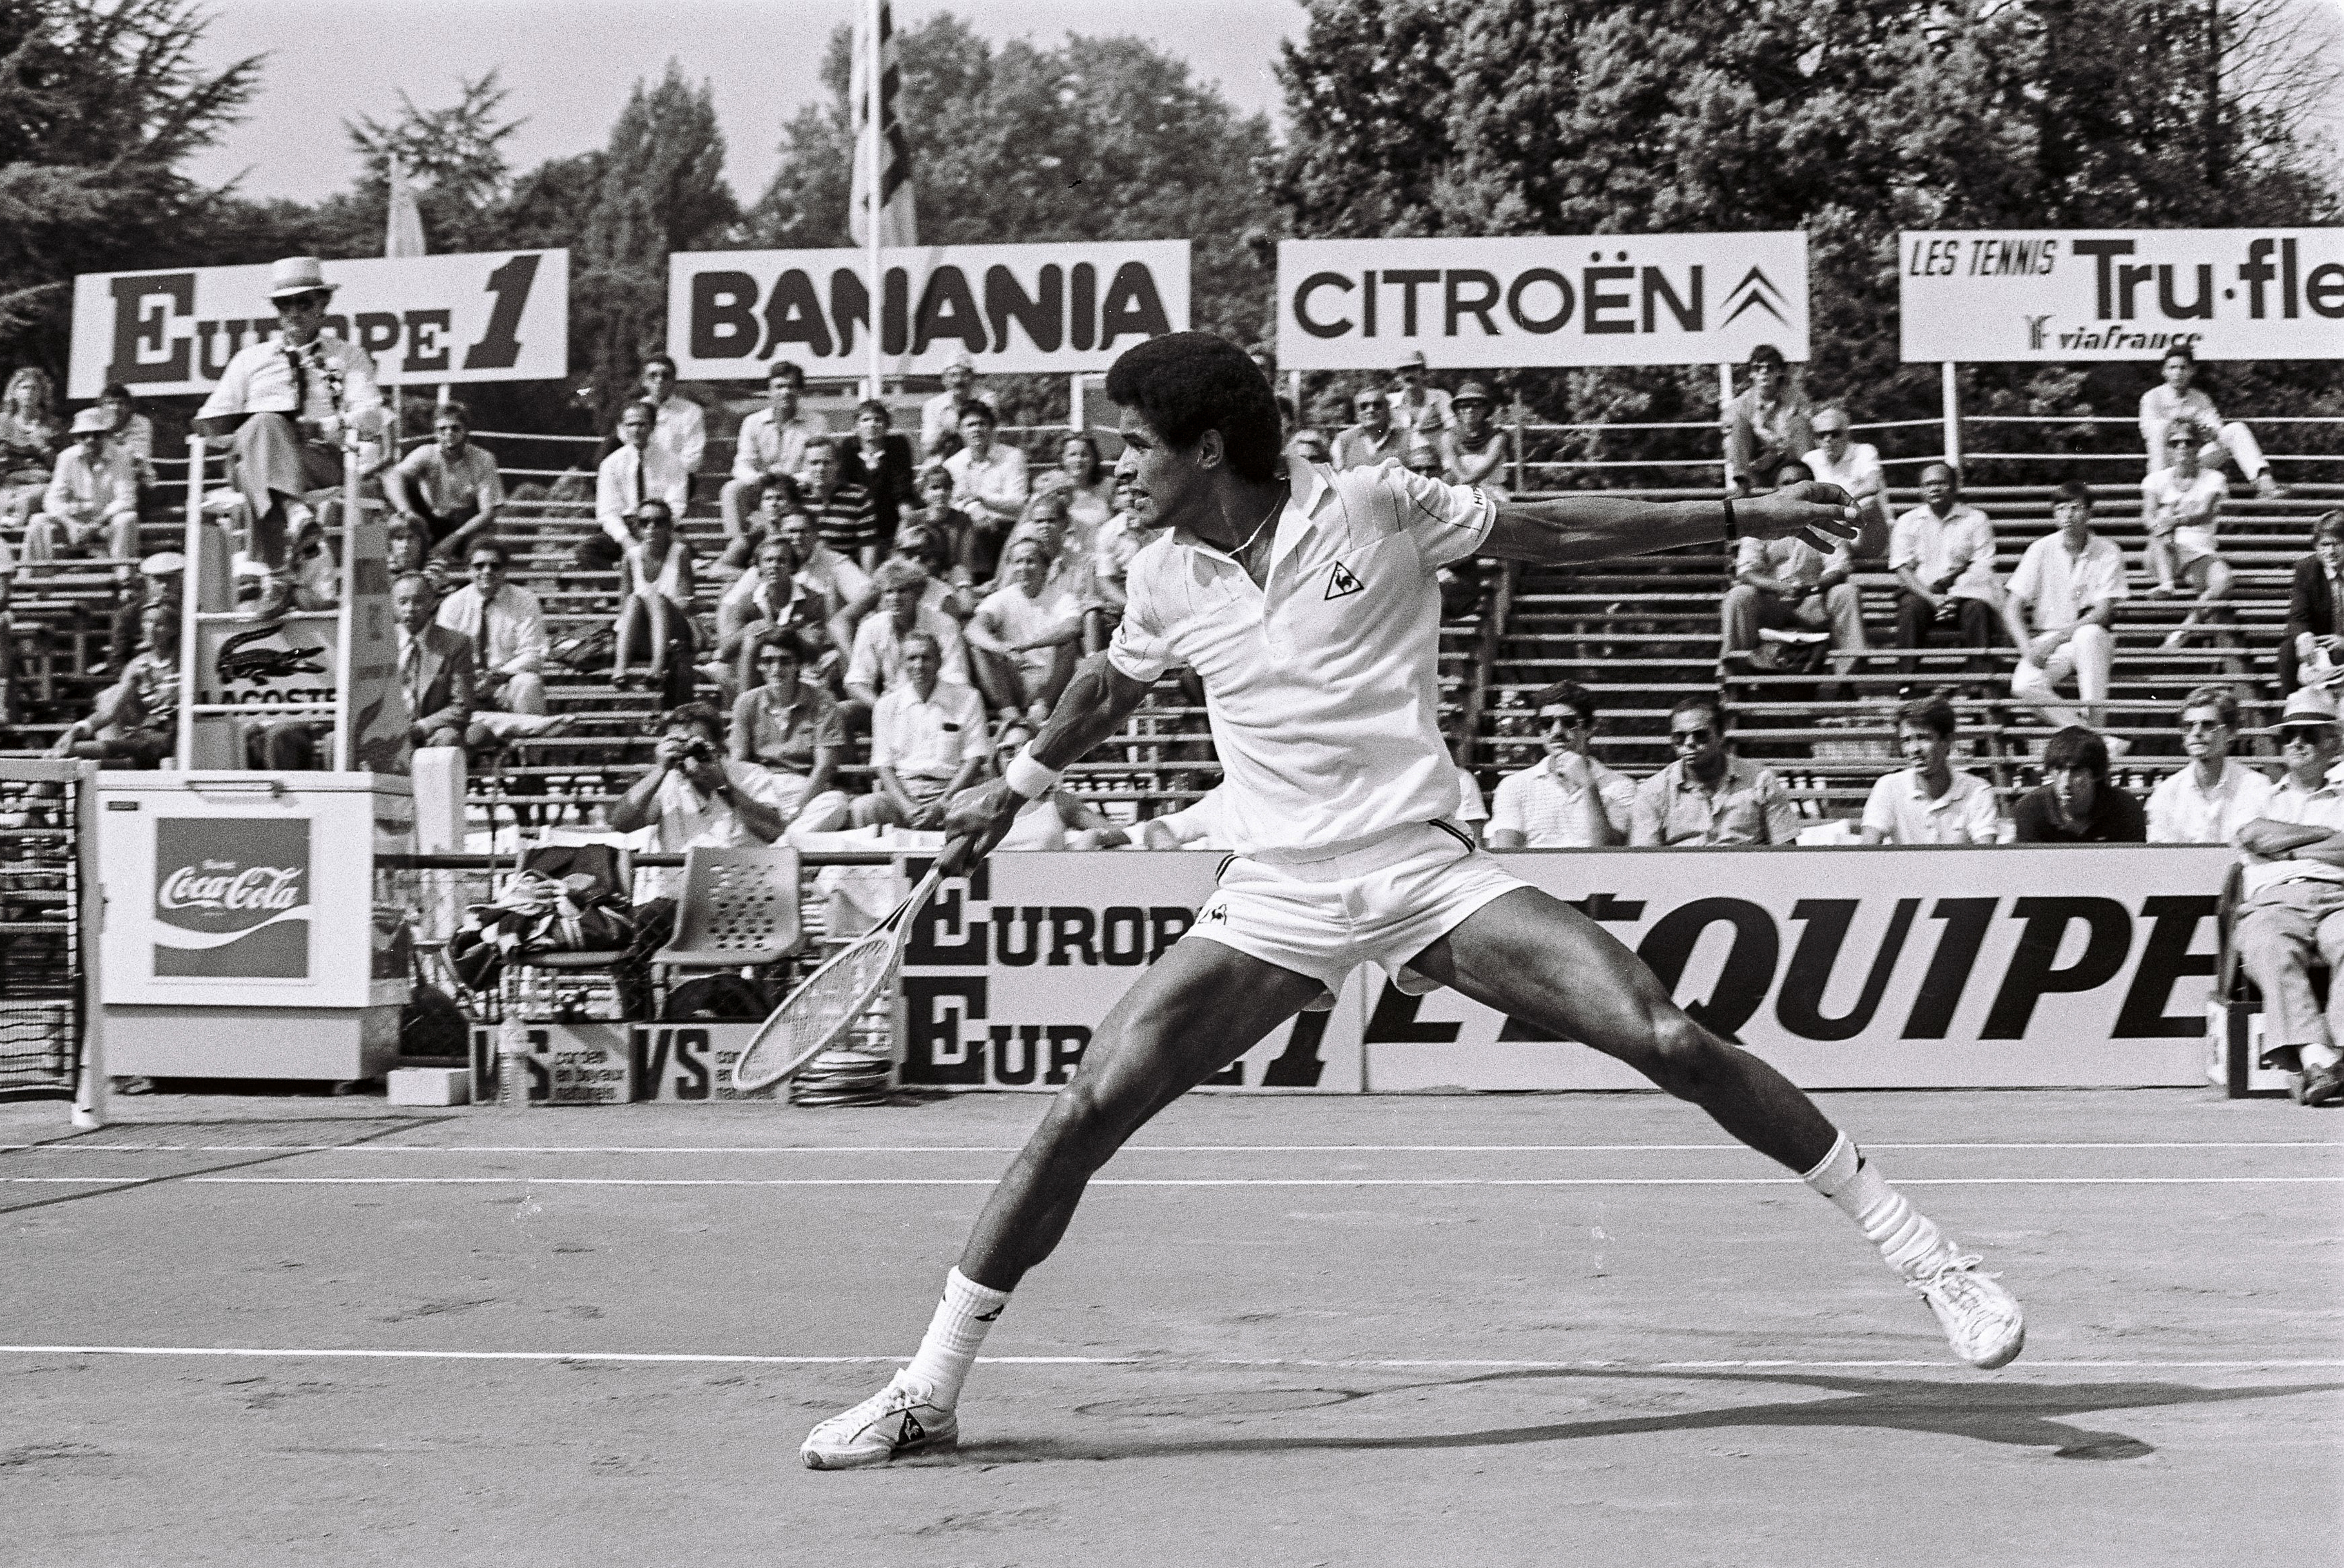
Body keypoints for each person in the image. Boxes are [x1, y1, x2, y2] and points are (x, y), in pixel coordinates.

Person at [800, 332, 2020, 1468]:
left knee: (1664, 1032)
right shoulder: (1161, 574)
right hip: (1273, 891)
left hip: (1421, 868)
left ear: (1206, 449)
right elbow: (1104, 689)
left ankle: (1931, 1257)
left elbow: (1548, 525)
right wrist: (1008, 791)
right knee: (1081, 1111)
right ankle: (929, 1390)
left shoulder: (1373, 504)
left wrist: (1747, 508)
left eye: (1134, 443)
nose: (1118, 467)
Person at [191, 256, 385, 619]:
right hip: (250, 457)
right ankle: (296, 516)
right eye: (285, 304)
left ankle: (273, 574)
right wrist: (231, 429)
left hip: (318, 458)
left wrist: (322, 426)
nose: (293, 311)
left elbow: (373, 415)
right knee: (262, 425)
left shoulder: (349, 356)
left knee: (259, 451)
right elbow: (211, 418)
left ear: (323, 305)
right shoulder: (250, 360)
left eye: (304, 302)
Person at [2227, 687, 2344, 1106]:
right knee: (2269, 946)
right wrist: (2323, 837)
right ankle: (2321, 1056)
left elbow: (2268, 839)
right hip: (2275, 899)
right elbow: (2252, 834)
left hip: (2338, 897)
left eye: (2309, 733)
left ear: (2333, 740)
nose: (2296, 742)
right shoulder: (2257, 790)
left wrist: (2284, 845)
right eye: (2288, 734)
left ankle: (2322, 1059)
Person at [606, 702, 791, 901]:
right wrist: (660, 769)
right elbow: (621, 823)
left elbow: (773, 831)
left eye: (697, 746)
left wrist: (723, 786)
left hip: (741, 896)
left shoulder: (751, 775)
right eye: (680, 746)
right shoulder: (666, 782)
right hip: (679, 900)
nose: (689, 755)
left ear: (719, 746)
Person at [2004, 481, 2129, 741]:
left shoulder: (2108, 550)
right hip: (2047, 639)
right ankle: (2097, 740)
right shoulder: (2040, 549)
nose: (2068, 516)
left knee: (2089, 634)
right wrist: (2029, 650)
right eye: (2060, 509)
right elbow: (2012, 608)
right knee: (2024, 685)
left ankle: (2095, 725)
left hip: (2089, 638)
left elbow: (2103, 611)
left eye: (2075, 508)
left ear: (2089, 513)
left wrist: (2057, 640)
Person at [1721, 470, 1867, 678]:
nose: (1792, 488)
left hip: (1814, 602)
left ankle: (1850, 678)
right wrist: (1779, 587)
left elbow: (1839, 567)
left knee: (1846, 592)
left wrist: (1812, 587)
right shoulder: (1758, 523)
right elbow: (1746, 571)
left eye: (1799, 483)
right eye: (1786, 483)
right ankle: (1734, 678)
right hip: (1771, 604)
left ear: (1812, 489)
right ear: (1777, 489)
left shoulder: (1828, 524)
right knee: (1739, 595)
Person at [850, 631, 988, 829]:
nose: (919, 665)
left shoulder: (969, 699)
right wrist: (907, 807)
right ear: (902, 664)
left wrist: (942, 804)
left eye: (926, 658)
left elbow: (974, 759)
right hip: (904, 792)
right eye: (912, 658)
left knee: (980, 809)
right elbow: (883, 765)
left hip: (952, 793)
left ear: (940, 661)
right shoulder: (886, 706)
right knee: (864, 808)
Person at [726, 630, 853, 837]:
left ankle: (780, 845)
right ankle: (790, 840)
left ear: (798, 665)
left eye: (785, 661)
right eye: (768, 661)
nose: (776, 669)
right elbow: (739, 763)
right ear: (759, 665)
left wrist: (797, 808)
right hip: (761, 784)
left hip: (806, 786)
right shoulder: (747, 702)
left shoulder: (823, 701)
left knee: (836, 804)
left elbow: (825, 767)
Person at [434, 541, 563, 744]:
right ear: (469, 571)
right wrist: (469, 681)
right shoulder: (453, 605)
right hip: (466, 686)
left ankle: (530, 765)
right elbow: (442, 657)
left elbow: (534, 653)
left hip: (505, 684)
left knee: (528, 683)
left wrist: (496, 676)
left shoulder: (525, 601)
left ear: (505, 571)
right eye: (479, 566)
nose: (487, 571)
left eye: (495, 566)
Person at [1630, 693, 1799, 846]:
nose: (1689, 743)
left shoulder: (1761, 781)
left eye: (1700, 735)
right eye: (1679, 737)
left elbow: (1785, 854)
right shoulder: (1652, 792)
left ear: (1720, 736)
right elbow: (1645, 862)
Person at [1485, 682, 1634, 848]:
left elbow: (1611, 854)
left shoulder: (1622, 787)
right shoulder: (1515, 786)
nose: (1556, 732)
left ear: (1590, 729)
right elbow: (1508, 855)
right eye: (1547, 723)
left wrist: (1589, 785)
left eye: (1569, 722)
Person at [1889, 463, 1999, 673]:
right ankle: (1907, 684)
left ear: (1955, 487)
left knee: (1978, 608)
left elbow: (1983, 565)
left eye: (1941, 483)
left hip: (1965, 593)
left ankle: (1980, 684)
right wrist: (1934, 599)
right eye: (1928, 484)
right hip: (1922, 592)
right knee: (1910, 609)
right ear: (1921, 490)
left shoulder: (1976, 519)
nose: (1934, 489)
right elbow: (1902, 568)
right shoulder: (1908, 521)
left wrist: (1955, 597)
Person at [2138, 345, 2283, 500]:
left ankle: (2263, 482)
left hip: (2195, 461)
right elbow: (2150, 432)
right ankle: (2158, 494)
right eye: (2172, 368)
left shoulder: (2200, 398)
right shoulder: (2151, 398)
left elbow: (2216, 430)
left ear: (2192, 371)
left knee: (2235, 429)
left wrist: (2209, 432)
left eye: (2183, 368)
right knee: (2160, 430)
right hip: (2165, 467)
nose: (2178, 373)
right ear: (2164, 371)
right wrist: (2180, 423)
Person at [47, 599, 179, 768]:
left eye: (159, 624)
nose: (151, 629)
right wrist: (76, 730)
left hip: (173, 742)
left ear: (173, 629)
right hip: (145, 744)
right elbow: (110, 712)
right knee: (66, 752)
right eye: (147, 622)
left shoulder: (184, 662)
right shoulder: (137, 666)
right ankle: (35, 791)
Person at [967, 537, 1083, 724]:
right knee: (980, 647)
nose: (1023, 568)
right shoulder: (1002, 598)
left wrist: (1029, 644)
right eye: (1018, 562)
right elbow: (973, 629)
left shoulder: (1063, 597)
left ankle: (1041, 708)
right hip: (1015, 680)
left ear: (1046, 567)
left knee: (1068, 643)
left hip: (1052, 680)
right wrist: (1001, 648)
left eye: (1031, 561)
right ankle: (1009, 712)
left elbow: (1073, 627)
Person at [1858, 695, 2001, 845]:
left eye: (1923, 738)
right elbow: (1868, 849)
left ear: (1947, 741)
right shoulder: (1887, 786)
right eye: (1906, 740)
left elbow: (1986, 855)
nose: (1914, 749)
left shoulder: (1979, 790)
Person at [844, 557, 971, 725]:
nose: (895, 598)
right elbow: (856, 680)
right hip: (890, 707)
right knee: (843, 712)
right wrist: (882, 707)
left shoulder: (944, 624)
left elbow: (956, 677)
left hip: (936, 706)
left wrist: (922, 707)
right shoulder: (871, 627)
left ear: (918, 594)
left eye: (902, 591)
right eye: (889, 592)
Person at [2140, 421, 2232, 647]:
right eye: (2175, 443)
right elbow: (2148, 516)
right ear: (2168, 449)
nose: (2182, 447)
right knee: (2160, 523)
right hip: (2164, 553)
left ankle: (2184, 629)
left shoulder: (2213, 478)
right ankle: (2166, 584)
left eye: (2188, 442)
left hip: (2199, 552)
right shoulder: (2156, 480)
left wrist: (2176, 519)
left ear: (2198, 446)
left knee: (2226, 580)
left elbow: (2206, 513)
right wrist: (2165, 522)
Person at [2146, 685, 2274, 844]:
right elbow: (2158, 856)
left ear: (2231, 732)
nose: (2196, 732)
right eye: (2189, 726)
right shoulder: (2166, 793)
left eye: (2208, 725)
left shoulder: (2256, 786)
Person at [383, 402, 503, 567]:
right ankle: (400, 568)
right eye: (442, 429)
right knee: (395, 489)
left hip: (464, 526)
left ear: (466, 431)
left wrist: (454, 538)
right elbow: (392, 476)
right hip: (430, 520)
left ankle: (466, 584)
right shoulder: (426, 453)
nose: (449, 434)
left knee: (480, 542)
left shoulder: (483, 459)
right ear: (435, 433)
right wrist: (407, 511)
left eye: (455, 428)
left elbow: (488, 512)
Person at [985, 724, 1131, 851]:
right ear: (997, 757)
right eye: (1008, 749)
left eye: (1026, 748)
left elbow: (1121, 834)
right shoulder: (979, 800)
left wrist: (1092, 837)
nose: (1018, 755)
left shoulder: (1057, 801)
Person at [23, 407, 139, 568]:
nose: (90, 440)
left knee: (127, 519)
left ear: (105, 435)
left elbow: (126, 499)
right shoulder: (66, 457)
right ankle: (39, 586)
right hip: (74, 522)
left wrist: (97, 523)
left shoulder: (120, 457)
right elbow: (52, 499)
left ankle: (124, 582)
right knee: (38, 521)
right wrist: (69, 523)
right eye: (84, 435)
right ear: (76, 438)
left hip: (106, 523)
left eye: (96, 435)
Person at [722, 361, 820, 543]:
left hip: (798, 490)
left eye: (791, 386)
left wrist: (790, 481)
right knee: (732, 489)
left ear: (799, 391)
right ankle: (739, 545)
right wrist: (761, 481)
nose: (785, 392)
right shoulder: (753, 422)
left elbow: (817, 464)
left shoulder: (816, 422)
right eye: (779, 387)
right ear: (770, 390)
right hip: (761, 489)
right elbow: (742, 465)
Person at [588, 400, 688, 573]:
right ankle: (627, 585)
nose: (636, 430)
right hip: (626, 527)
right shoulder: (611, 464)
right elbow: (607, 511)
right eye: (630, 425)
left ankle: (648, 579)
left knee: (682, 549)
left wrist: (655, 530)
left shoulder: (672, 462)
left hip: (659, 524)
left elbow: (677, 504)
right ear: (622, 427)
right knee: (587, 551)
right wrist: (626, 540)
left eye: (642, 424)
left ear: (653, 427)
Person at [612, 498, 695, 697]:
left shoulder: (680, 553)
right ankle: (620, 669)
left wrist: (654, 601)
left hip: (675, 632)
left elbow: (686, 603)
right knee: (633, 600)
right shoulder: (630, 557)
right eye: (644, 522)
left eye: (659, 522)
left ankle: (656, 670)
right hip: (643, 636)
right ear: (637, 526)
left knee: (653, 598)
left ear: (669, 526)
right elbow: (624, 608)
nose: (652, 528)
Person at [2009, 725, 2145, 842]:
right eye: (2059, 769)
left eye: (2076, 771)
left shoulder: (2126, 809)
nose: (2066, 782)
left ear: (2096, 774)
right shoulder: (2030, 810)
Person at [391, 571, 474, 751]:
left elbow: (462, 706)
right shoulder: (380, 644)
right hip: (388, 729)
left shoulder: (456, 644)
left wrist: (420, 728)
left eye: (418, 601)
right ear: (393, 606)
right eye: (403, 602)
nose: (410, 608)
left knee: (448, 739)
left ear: (432, 603)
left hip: (432, 731)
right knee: (335, 740)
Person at [1724, 344, 1815, 495]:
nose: (1764, 373)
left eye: (1770, 368)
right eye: (1758, 368)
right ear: (1751, 374)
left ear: (1780, 371)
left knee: (1800, 422)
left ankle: (1808, 484)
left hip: (1790, 465)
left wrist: (1775, 454)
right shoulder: (1741, 404)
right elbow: (1730, 444)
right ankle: (1742, 485)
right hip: (1755, 469)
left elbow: (1804, 436)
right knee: (1740, 423)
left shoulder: (1797, 399)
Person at [838, 398, 918, 544]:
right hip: (857, 528)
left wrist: (905, 527)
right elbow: (845, 492)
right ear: (856, 427)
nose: (872, 424)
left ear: (887, 426)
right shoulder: (848, 451)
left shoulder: (898, 448)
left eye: (878, 419)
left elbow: (903, 492)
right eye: (866, 420)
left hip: (890, 526)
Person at [2281, 511, 2344, 695]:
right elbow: (2297, 617)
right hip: (2322, 649)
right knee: (2288, 649)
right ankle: (2288, 709)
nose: (2330, 552)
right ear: (2316, 547)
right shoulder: (2307, 569)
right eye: (2325, 545)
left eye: (2337, 544)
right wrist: (2304, 637)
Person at [942, 404, 1028, 537]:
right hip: (968, 531)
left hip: (1006, 530)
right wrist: (974, 508)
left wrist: (983, 501)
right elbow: (954, 503)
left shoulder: (1013, 457)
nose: (976, 429)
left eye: (982, 424)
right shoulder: (952, 465)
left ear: (992, 428)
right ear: (960, 430)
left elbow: (1018, 505)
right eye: (970, 425)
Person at [1803, 407, 1888, 541]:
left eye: (1834, 434)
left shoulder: (1865, 451)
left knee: (1869, 503)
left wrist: (1840, 507)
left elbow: (1873, 486)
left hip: (1867, 532)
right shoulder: (1810, 460)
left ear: (1847, 435)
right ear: (1815, 439)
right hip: (1831, 532)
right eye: (1821, 435)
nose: (1828, 439)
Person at [799, 437, 881, 569]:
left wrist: (867, 584)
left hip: (844, 571)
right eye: (814, 463)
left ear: (838, 465)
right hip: (806, 571)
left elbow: (868, 547)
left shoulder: (859, 496)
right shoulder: (798, 498)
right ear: (804, 466)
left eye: (827, 463)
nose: (821, 469)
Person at [0, 365, 60, 514]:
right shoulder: (3, 422)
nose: (29, 393)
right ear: (14, 392)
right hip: (7, 482)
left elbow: (59, 465)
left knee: (26, 503)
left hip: (39, 483)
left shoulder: (53, 424)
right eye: (24, 388)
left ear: (42, 394)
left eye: (35, 389)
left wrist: (41, 444)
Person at [636, 353, 706, 478]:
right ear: (644, 381)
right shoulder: (634, 412)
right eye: (653, 376)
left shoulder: (691, 411)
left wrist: (667, 473)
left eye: (666, 376)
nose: (659, 380)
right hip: (640, 477)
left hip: (677, 478)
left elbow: (694, 457)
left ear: (674, 380)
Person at [920, 347, 996, 458]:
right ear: (944, 379)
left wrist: (948, 428)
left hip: (981, 458)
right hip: (943, 462)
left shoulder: (987, 399)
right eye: (953, 375)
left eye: (964, 375)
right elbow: (929, 448)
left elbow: (984, 434)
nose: (958, 380)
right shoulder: (932, 405)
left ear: (972, 378)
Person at [1440, 382, 1507, 498]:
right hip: (1459, 492)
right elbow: (1456, 469)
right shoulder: (1449, 436)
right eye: (1464, 406)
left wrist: (1471, 488)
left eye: (1477, 405)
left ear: (1486, 409)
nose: (1470, 410)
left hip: (1492, 493)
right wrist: (1466, 490)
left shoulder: (1497, 436)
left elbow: (1486, 469)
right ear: (1457, 410)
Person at [1040, 433, 1117, 535]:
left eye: (1084, 455)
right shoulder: (1053, 491)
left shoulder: (1108, 488)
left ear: (1094, 459)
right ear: (1062, 459)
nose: (1078, 460)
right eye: (1072, 455)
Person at [97, 382, 157, 500]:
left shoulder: (141, 423)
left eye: (120, 403)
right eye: (110, 403)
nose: (115, 408)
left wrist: (111, 432)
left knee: (144, 476)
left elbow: (138, 456)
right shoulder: (93, 419)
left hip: (131, 475)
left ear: (130, 407)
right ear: (101, 406)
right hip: (100, 474)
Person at [1331, 385, 1400, 471]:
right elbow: (1338, 479)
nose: (1371, 410)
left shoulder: (1408, 438)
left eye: (1377, 405)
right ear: (1357, 414)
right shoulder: (1343, 441)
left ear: (1387, 409)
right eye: (1364, 406)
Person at [1388, 349, 1454, 438]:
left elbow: (1452, 429)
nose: (1409, 375)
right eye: (1404, 370)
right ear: (1397, 377)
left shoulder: (1441, 397)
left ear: (1424, 373)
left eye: (1414, 369)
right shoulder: (1388, 402)